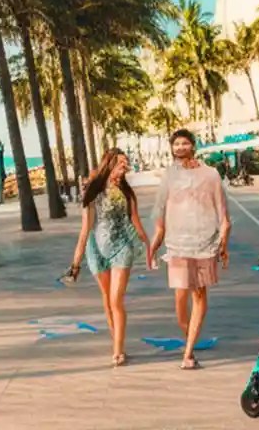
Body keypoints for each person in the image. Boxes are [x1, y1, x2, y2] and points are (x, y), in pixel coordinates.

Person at [149, 128, 231, 370]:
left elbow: (223, 213)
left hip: (205, 245)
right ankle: (189, 339)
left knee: (199, 295)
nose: (180, 148)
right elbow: (159, 212)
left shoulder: (211, 175)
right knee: (179, 301)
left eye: (185, 143)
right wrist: (154, 244)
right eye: (176, 145)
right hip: (177, 245)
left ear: (193, 146)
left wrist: (223, 242)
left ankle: (188, 352)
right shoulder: (169, 177)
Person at [68, 148, 150, 367]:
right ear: (110, 163)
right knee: (106, 298)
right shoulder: (94, 191)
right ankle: (117, 340)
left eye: (126, 163)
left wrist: (149, 246)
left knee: (116, 300)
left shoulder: (127, 192)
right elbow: (85, 229)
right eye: (121, 163)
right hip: (96, 249)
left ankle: (118, 350)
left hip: (122, 247)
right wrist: (75, 263)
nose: (125, 167)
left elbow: (135, 221)